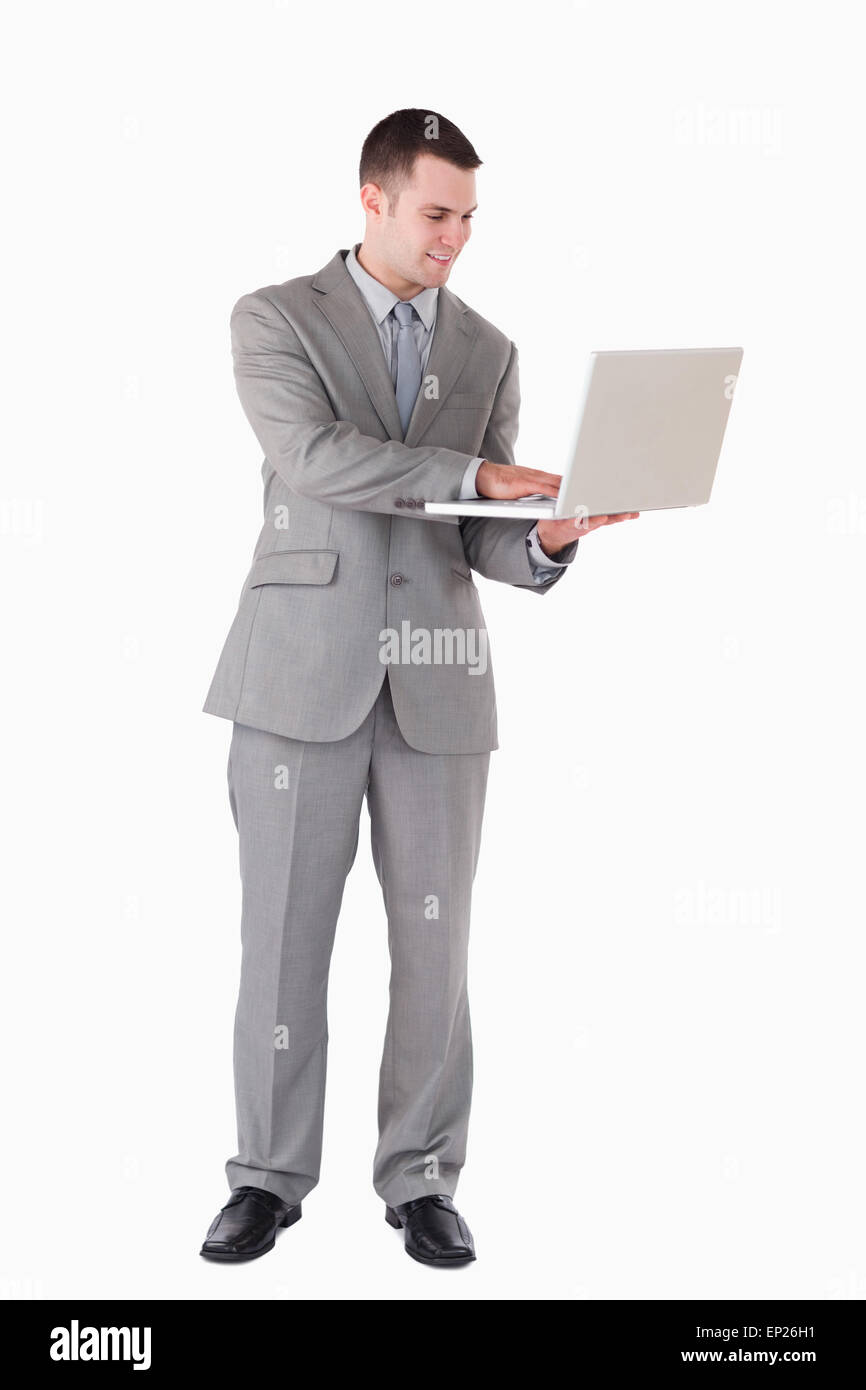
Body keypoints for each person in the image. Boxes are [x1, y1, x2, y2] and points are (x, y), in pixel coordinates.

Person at [199, 108, 637, 1266]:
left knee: (436, 952)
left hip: (439, 688)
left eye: (469, 219)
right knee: (279, 943)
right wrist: (477, 468)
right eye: (436, 214)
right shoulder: (275, 318)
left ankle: (424, 1176)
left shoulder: (487, 349)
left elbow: (475, 535)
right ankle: (266, 1177)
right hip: (297, 679)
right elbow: (319, 459)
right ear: (373, 198)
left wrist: (549, 531)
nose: (454, 238)